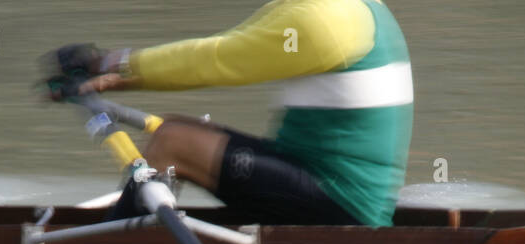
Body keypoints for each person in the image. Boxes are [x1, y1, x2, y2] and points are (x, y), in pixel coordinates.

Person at [46, 0, 413, 226]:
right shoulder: (360, 8)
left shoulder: (326, 19)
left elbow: (217, 60)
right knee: (177, 131)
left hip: (341, 202)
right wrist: (106, 76)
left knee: (173, 141)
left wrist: (106, 64)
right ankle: (139, 235)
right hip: (324, 183)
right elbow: (228, 47)